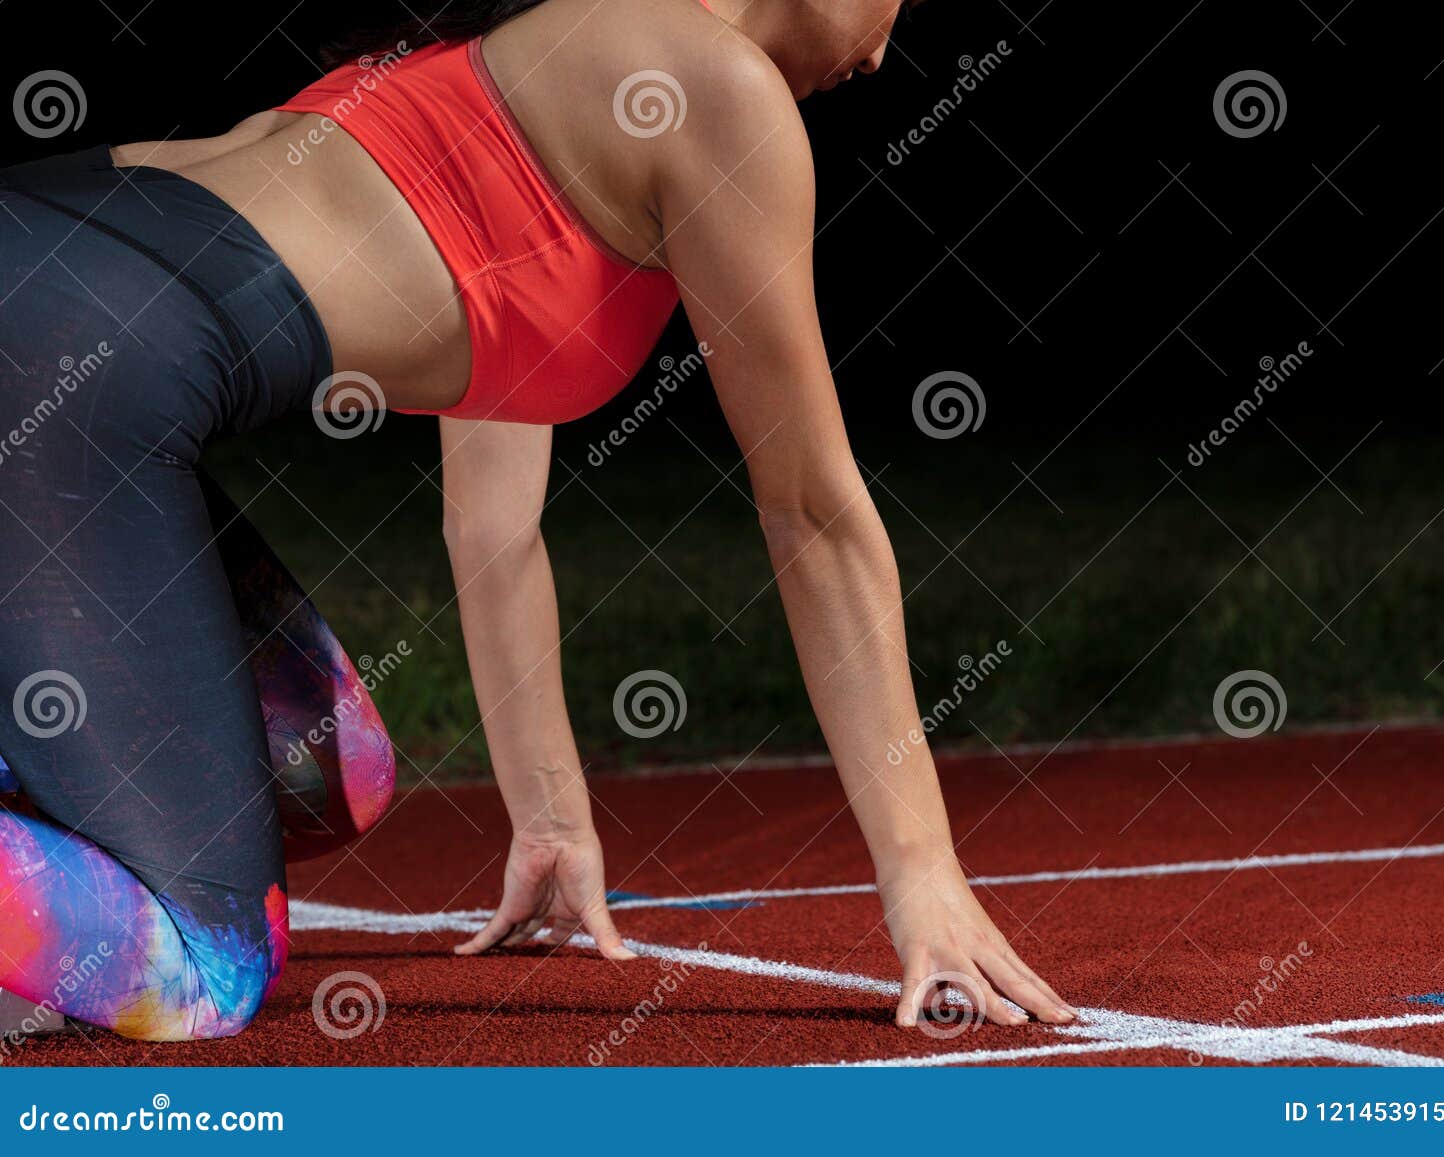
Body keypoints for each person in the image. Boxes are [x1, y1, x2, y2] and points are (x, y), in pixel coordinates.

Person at [0, 0, 1073, 1041]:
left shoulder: (529, 39)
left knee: (329, 768)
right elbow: (811, 511)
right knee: (204, 967)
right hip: (68, 355)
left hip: (46, 269)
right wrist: (924, 871)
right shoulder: (717, 90)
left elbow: (493, 527)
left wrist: (552, 816)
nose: (887, 52)